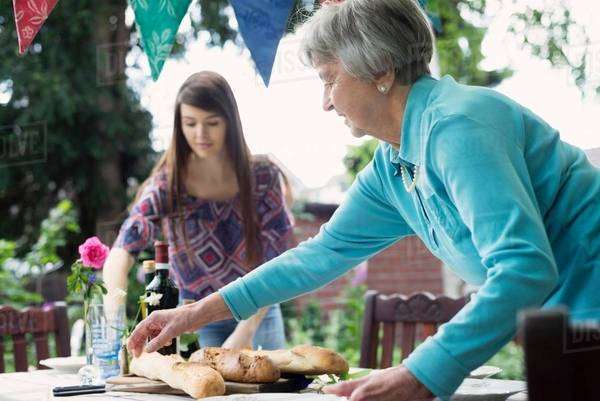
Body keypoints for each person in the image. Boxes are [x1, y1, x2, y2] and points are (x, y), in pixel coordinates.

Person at [128, 1, 600, 400]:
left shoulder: (457, 126)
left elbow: (524, 268)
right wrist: (191, 314)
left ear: (380, 70)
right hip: (565, 337)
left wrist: (419, 374)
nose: (325, 103)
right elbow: (318, 256)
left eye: (329, 79)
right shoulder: (394, 162)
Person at [104, 71, 294, 351]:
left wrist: (246, 331)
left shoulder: (263, 177)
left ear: (230, 122)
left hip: (258, 314)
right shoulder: (168, 184)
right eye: (190, 123)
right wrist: (114, 319)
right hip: (193, 319)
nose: (200, 134)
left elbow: (276, 260)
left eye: (212, 123)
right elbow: (122, 250)